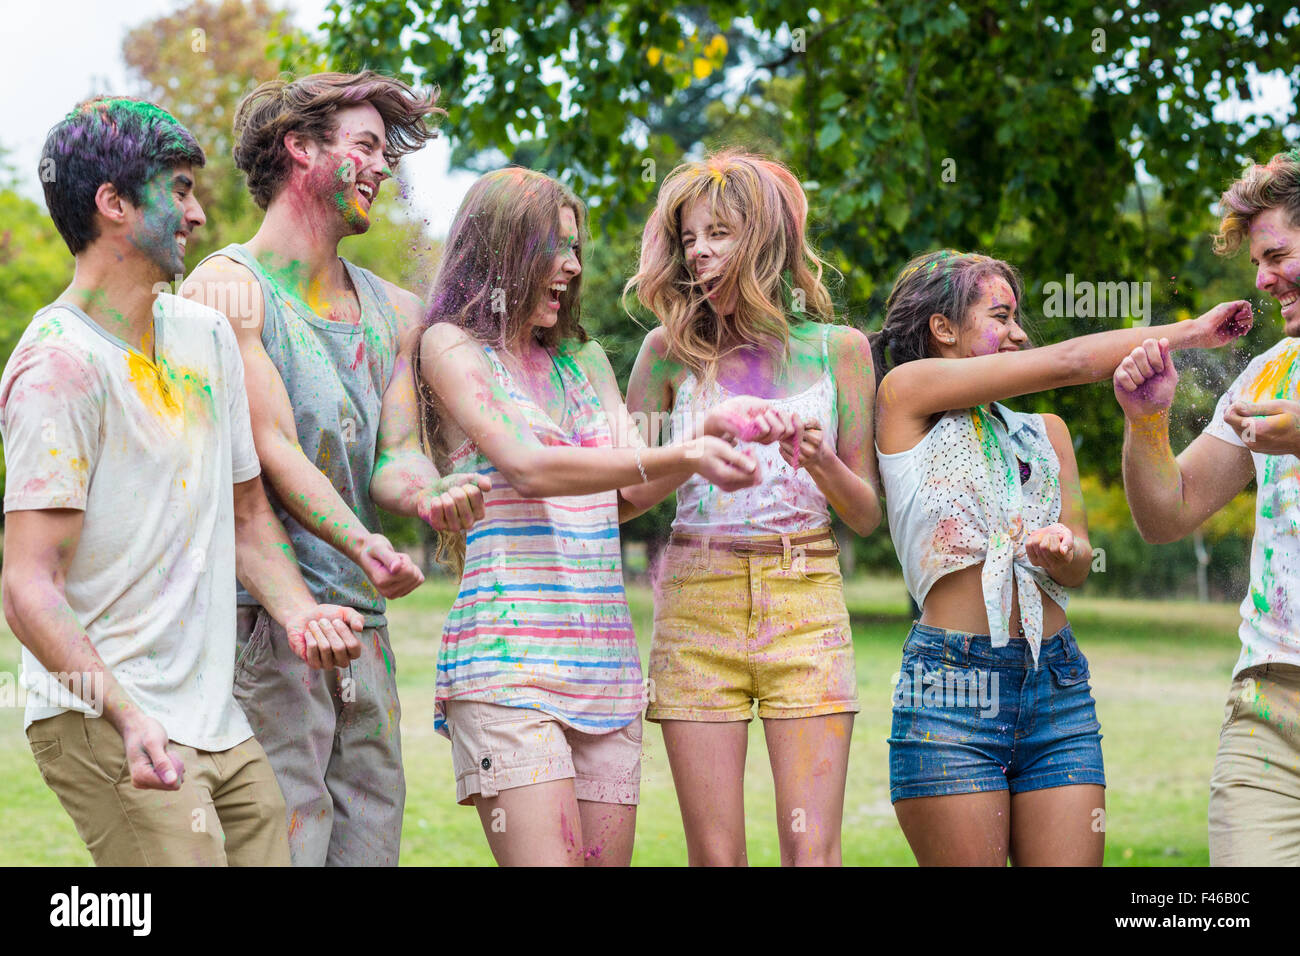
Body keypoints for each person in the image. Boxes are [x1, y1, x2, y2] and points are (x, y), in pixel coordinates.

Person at [0, 97, 363, 866]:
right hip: (102, 712)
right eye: (181, 188)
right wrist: (128, 716)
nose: (198, 214)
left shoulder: (203, 339)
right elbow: (28, 586)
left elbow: (246, 515)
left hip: (214, 719)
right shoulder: (58, 367)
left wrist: (298, 611)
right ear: (114, 205)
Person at [416, 167, 766, 866]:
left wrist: (700, 437)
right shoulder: (451, 348)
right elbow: (526, 467)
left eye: (576, 249)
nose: (573, 267)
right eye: (556, 247)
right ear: (503, 248)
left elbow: (629, 491)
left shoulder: (583, 361)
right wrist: (687, 455)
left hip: (605, 669)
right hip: (508, 669)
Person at [181, 71, 488, 866]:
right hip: (264, 624)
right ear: (300, 148)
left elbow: (396, 453)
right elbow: (273, 448)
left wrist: (429, 492)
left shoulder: (395, 310)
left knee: (369, 847)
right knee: (282, 847)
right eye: (366, 146)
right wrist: (365, 544)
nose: (384, 167)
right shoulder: (225, 288)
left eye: (387, 153)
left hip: (365, 630)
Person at [871, 247, 1252, 865]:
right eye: (1000, 316)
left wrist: (1063, 552)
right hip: (952, 688)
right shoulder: (906, 398)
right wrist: (1190, 333)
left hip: (1057, 685)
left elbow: (1078, 565)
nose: (1019, 332)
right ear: (942, 329)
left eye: (1018, 317)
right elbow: (1071, 360)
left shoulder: (1045, 433)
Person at [623, 151, 882, 866]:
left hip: (806, 594)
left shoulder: (843, 352)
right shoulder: (666, 352)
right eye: (688, 239)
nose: (699, 253)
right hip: (696, 598)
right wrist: (692, 447)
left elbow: (865, 515)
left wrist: (821, 459)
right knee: (716, 857)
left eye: (719, 233)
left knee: (813, 853)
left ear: (764, 240)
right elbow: (622, 497)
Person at [1113, 148, 1300, 865]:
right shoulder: (1269, 372)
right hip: (1268, 712)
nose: (1262, 278)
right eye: (1257, 262)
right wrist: (1146, 422)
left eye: (1277, 253)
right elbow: (1167, 513)